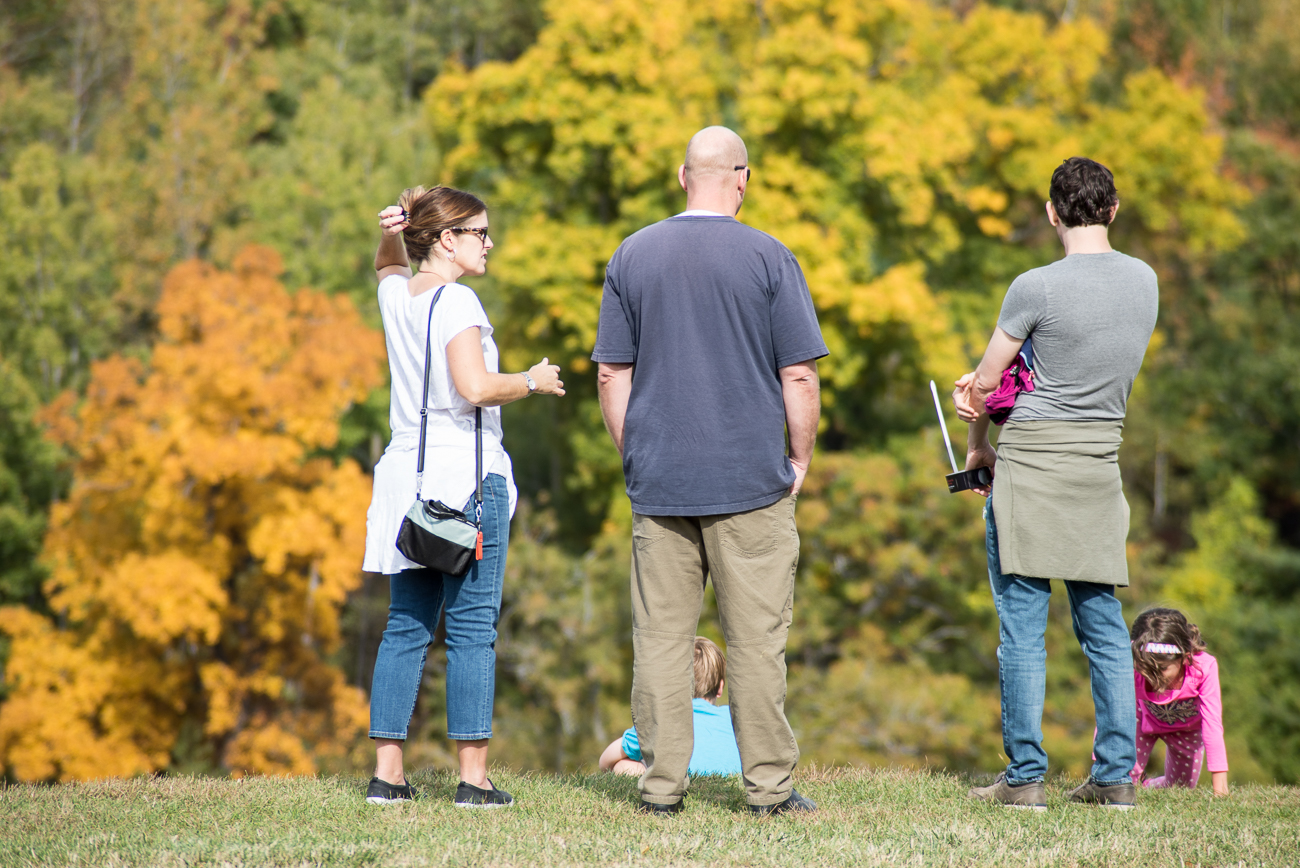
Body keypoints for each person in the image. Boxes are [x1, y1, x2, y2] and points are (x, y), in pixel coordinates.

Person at [592, 126, 827, 816]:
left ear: (682, 176)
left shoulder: (632, 253)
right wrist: (799, 458)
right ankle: (768, 791)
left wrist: (636, 451)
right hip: (751, 481)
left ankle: (661, 788)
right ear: (743, 179)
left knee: (660, 640)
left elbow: (610, 373)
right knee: (756, 642)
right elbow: (799, 374)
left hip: (659, 479)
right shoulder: (770, 256)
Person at [954, 157, 1158, 811]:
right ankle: (1116, 777)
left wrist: (977, 440)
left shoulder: (1035, 286)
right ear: (1113, 210)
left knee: (1021, 628)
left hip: (1031, 465)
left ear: (1051, 213)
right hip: (1099, 464)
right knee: (1102, 625)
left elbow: (987, 383)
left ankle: (1025, 779)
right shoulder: (1145, 281)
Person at [362, 186, 564, 808]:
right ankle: (474, 781)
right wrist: (532, 380)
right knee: (473, 630)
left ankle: (387, 778)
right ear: (447, 240)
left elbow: (387, 266)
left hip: (405, 481)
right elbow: (473, 387)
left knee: (405, 626)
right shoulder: (457, 301)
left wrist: (393, 231)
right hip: (465, 482)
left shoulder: (399, 297)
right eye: (479, 232)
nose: (489, 242)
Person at [600, 637, 742, 778]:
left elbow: (605, 760)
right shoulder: (734, 717)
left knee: (622, 766)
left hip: (676, 779)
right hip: (730, 778)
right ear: (720, 687)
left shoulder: (662, 717)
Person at [1129, 608, 1229, 795]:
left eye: (1162, 669)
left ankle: (1148, 785)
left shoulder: (1204, 669)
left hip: (1187, 730)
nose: (1153, 677)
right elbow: (1111, 713)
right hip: (1141, 720)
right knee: (1122, 781)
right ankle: (1130, 783)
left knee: (1179, 787)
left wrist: (1220, 791)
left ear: (1185, 657)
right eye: (1145, 668)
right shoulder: (1131, 667)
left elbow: (1212, 725)